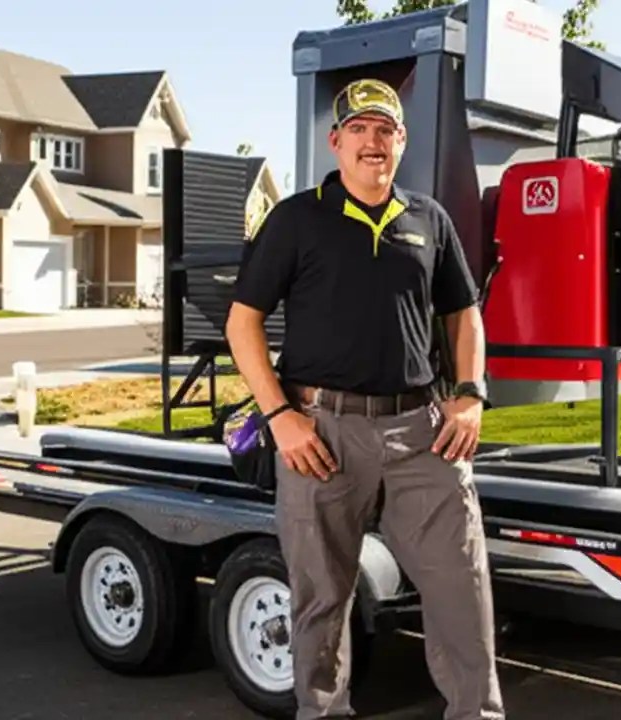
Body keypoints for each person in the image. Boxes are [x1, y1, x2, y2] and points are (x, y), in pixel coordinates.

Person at [224, 78, 505, 720]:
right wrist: (280, 417)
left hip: (422, 433)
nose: (372, 142)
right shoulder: (297, 218)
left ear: (402, 142)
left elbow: (463, 313)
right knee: (321, 600)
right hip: (322, 435)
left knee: (462, 591)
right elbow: (243, 322)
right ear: (336, 142)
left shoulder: (429, 219)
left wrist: (469, 395)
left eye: (386, 130)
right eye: (359, 130)